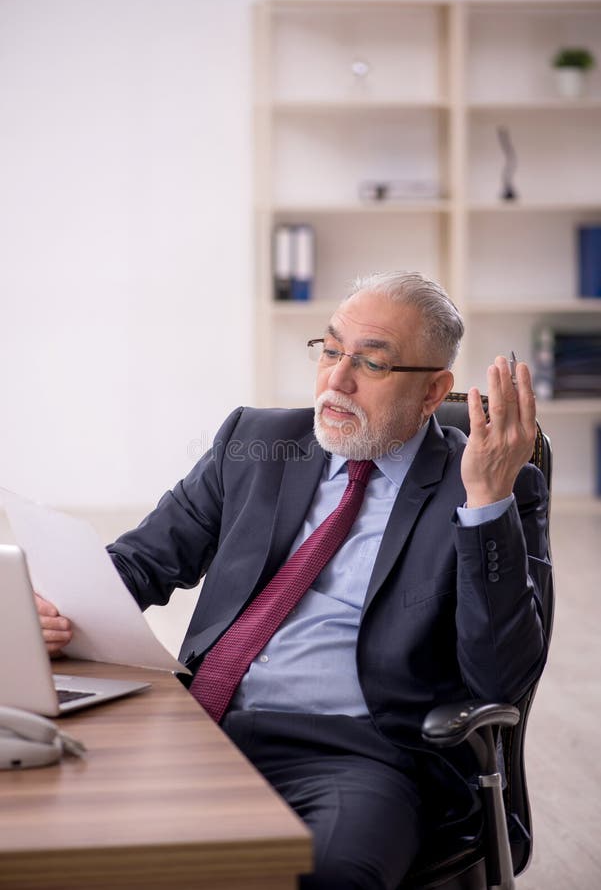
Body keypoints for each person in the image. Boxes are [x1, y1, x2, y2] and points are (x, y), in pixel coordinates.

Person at [36, 271, 550, 890]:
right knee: (59, 843)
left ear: (433, 391)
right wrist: (44, 610)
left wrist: (486, 502)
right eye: (330, 351)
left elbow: (500, 676)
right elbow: (140, 564)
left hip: (360, 755)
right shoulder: (254, 442)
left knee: (321, 877)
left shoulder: (487, 486)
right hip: (201, 727)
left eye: (371, 364)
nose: (336, 379)